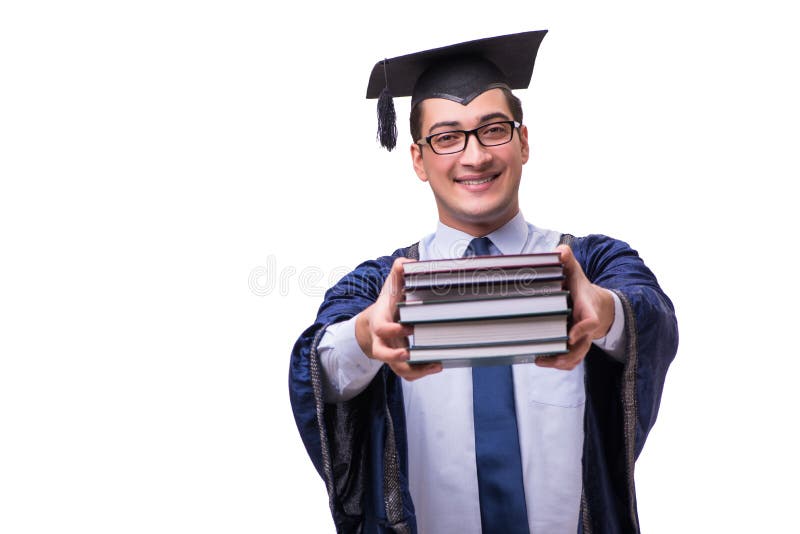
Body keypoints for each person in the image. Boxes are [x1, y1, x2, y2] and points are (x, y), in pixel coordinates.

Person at [289, 30, 678, 534]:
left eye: (494, 129)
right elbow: (315, 365)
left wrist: (601, 311)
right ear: (418, 160)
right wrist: (367, 335)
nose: (474, 157)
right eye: (447, 137)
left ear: (524, 141)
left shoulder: (590, 263)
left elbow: (650, 313)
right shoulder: (379, 288)